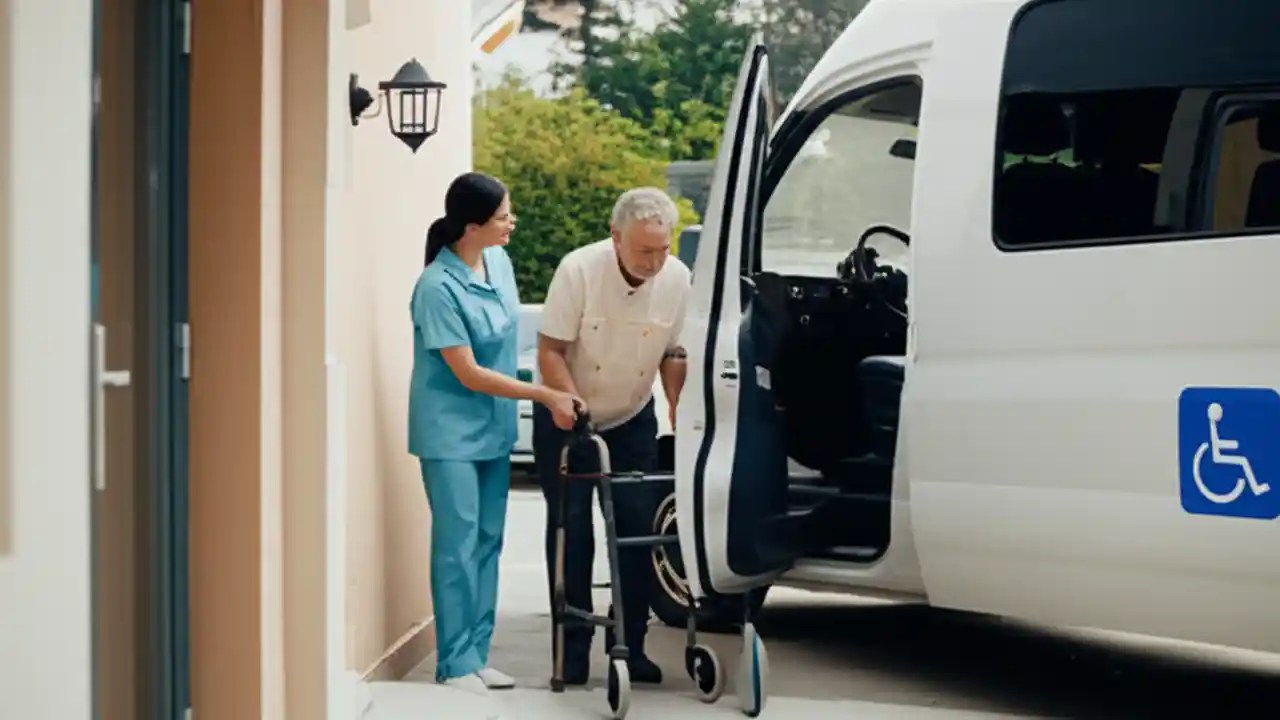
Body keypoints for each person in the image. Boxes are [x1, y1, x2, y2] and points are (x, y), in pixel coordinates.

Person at [409, 171, 581, 697]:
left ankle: (476, 655)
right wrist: (545, 395)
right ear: (472, 226)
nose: (512, 222)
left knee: (488, 542)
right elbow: (469, 374)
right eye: (504, 216)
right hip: (449, 436)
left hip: (493, 428)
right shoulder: (436, 288)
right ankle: (453, 661)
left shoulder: (499, 263)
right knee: (457, 545)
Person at [533, 187, 692, 686]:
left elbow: (673, 351)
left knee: (635, 531)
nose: (654, 261)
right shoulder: (579, 270)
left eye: (663, 249)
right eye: (644, 250)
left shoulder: (677, 278)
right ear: (616, 236)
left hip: (632, 415)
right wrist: (571, 404)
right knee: (573, 533)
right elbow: (550, 350)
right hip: (566, 415)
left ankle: (630, 645)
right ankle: (571, 649)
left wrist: (676, 405)